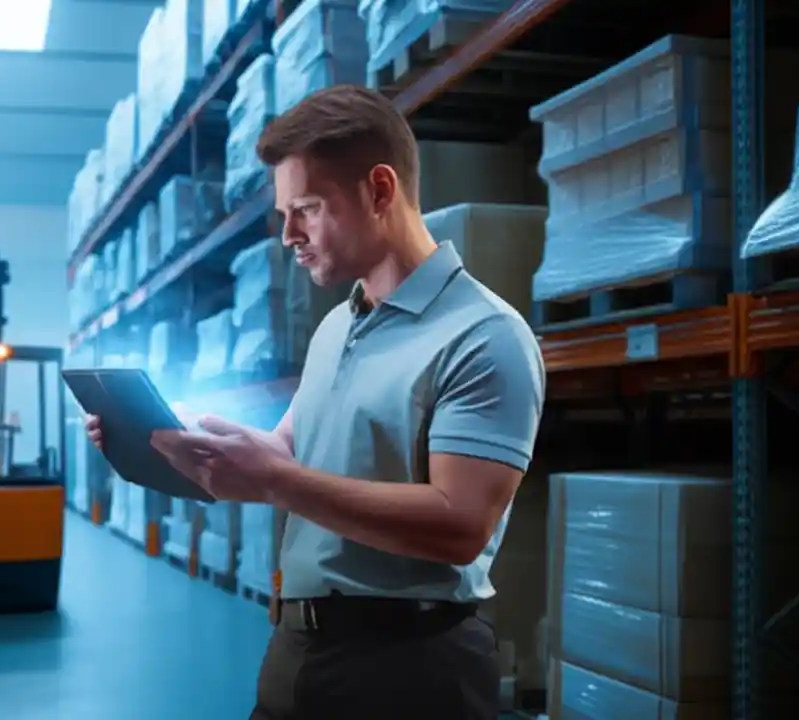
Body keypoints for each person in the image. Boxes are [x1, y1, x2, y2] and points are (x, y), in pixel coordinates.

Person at [84, 84, 546, 719]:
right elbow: (288, 454)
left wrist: (276, 479)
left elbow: (460, 523)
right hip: (297, 649)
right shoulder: (338, 327)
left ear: (380, 190)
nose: (287, 235)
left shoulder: (484, 336)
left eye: (305, 208)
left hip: (409, 670)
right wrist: (165, 442)